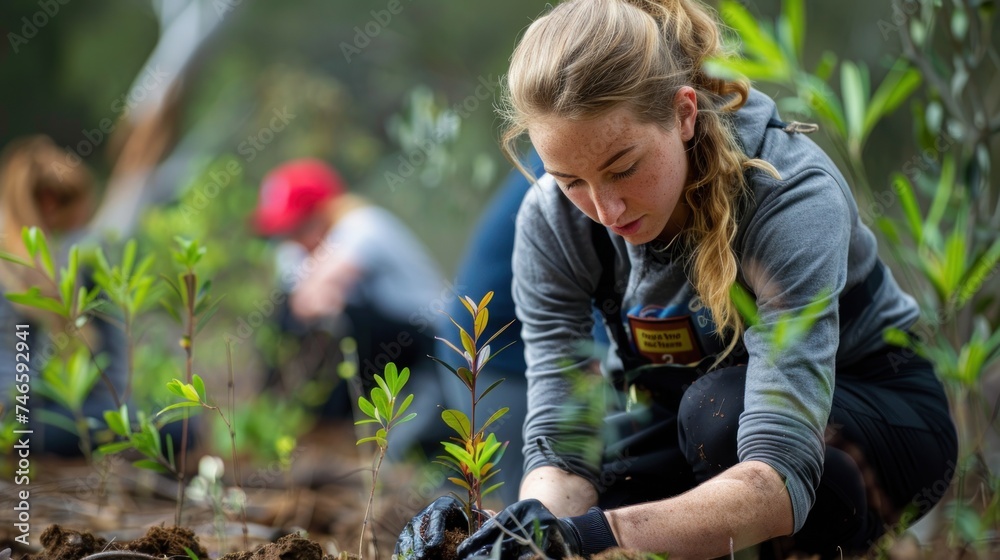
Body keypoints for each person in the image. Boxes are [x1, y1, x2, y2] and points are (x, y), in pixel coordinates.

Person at [396, 1, 957, 558]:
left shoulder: (791, 201)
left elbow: (778, 476)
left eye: (623, 168)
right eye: (571, 180)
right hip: (691, 411)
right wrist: (520, 536)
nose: (606, 208)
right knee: (613, 492)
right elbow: (566, 443)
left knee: (714, 418)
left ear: (684, 113)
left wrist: (596, 536)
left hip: (874, 418)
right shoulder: (553, 219)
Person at [251, 158, 447, 459]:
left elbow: (313, 296)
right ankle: (297, 425)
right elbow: (299, 307)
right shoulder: (295, 250)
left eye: (300, 226)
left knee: (344, 317)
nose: (294, 240)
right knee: (291, 319)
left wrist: (319, 295)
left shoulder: (364, 225)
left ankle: (344, 433)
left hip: (432, 346)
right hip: (388, 354)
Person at [0, 135, 127, 455]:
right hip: (21, 425)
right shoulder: (27, 271)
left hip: (30, 419)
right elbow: (20, 383)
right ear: (50, 203)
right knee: (169, 425)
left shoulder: (49, 264)